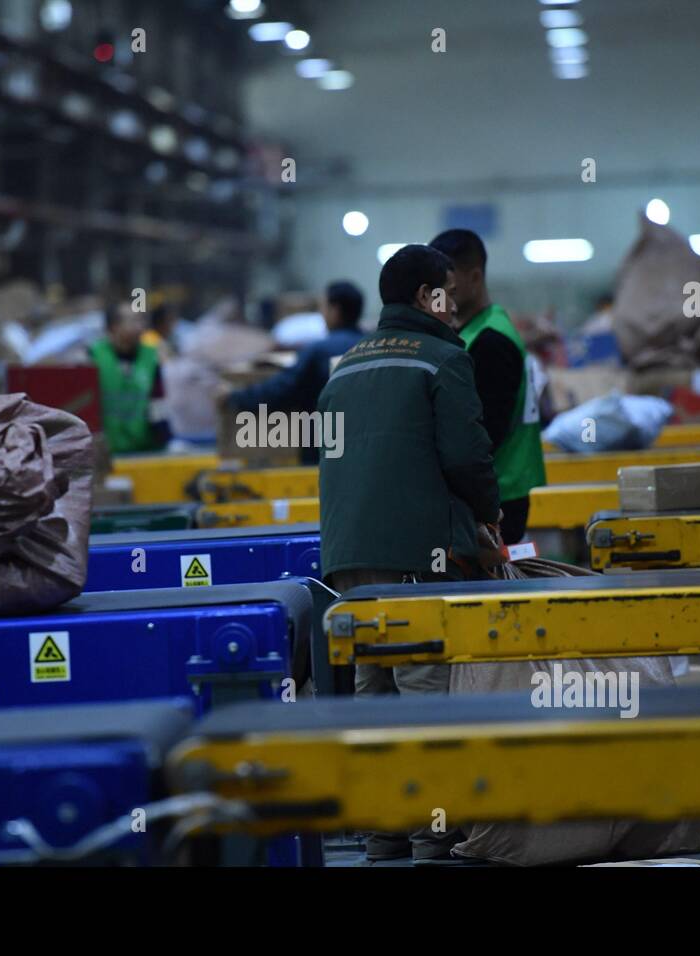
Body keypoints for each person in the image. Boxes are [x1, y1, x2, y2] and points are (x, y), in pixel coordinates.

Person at [317, 244, 500, 863]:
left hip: (348, 553)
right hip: (416, 550)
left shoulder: (346, 364)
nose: (456, 305)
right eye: (447, 292)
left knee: (375, 687)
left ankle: (384, 830)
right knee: (425, 685)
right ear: (427, 296)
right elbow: (466, 456)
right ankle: (432, 834)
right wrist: (488, 515)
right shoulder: (443, 358)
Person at [430, 229, 546, 543]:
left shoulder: (491, 341)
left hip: (498, 494)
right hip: (493, 490)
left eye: (449, 283)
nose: (444, 292)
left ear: (475, 276)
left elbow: (486, 429)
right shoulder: (476, 331)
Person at [226, 281, 366, 464]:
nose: (321, 314)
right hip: (366, 453)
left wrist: (234, 397)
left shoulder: (319, 351)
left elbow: (280, 389)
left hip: (325, 456)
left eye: (322, 307)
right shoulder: (374, 348)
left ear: (335, 310)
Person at [89, 303, 170, 454]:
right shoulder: (93, 356)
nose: (141, 327)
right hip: (106, 453)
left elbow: (157, 406)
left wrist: (167, 443)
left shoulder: (151, 357)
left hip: (144, 451)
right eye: (133, 321)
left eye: (142, 321)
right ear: (114, 326)